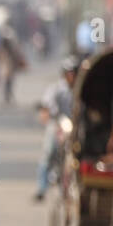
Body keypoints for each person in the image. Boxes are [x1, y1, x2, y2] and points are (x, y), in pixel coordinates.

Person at [34, 56, 79, 201]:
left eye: (74, 73)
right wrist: (47, 114)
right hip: (58, 124)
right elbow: (46, 106)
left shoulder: (81, 89)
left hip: (75, 126)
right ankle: (41, 187)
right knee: (48, 151)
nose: (71, 76)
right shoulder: (56, 89)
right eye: (69, 73)